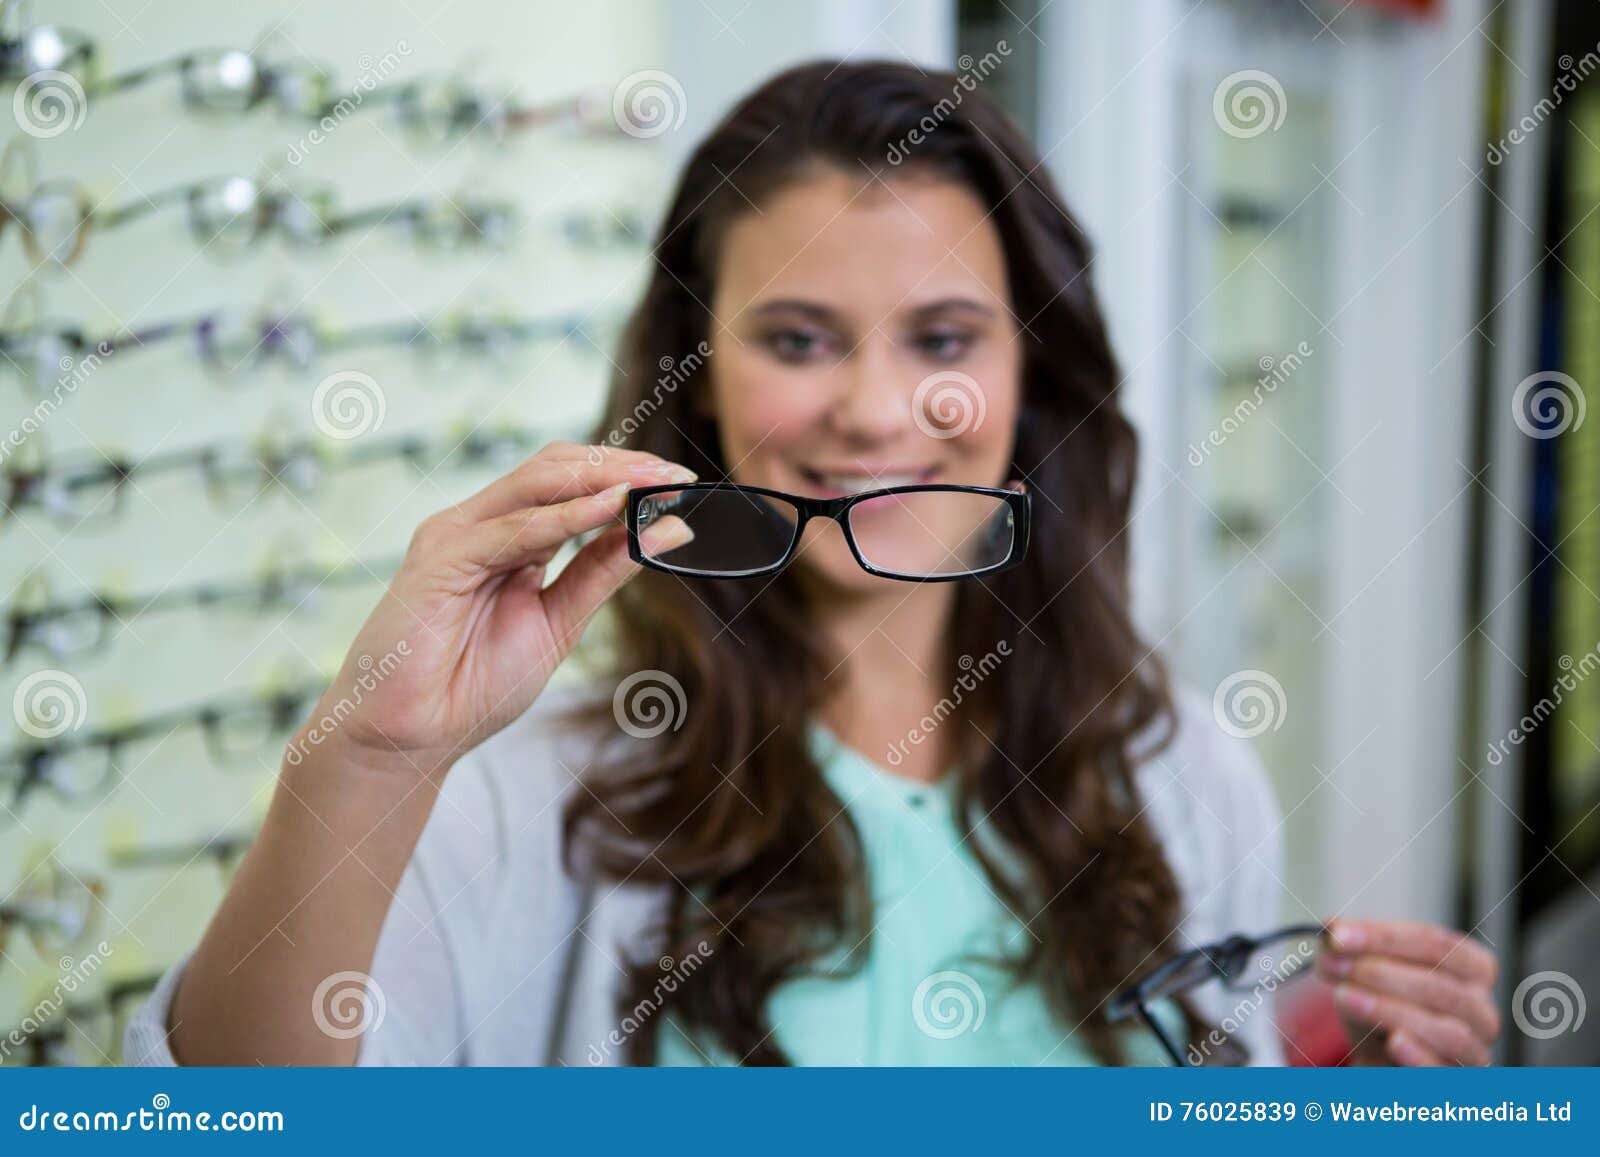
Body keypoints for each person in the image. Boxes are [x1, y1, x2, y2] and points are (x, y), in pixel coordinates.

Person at [125, 59, 1499, 1068]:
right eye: (797, 339)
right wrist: (365, 760)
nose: (875, 411)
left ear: (1035, 380)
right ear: (698, 382)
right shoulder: (516, 808)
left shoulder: (1184, 779)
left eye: (945, 339)